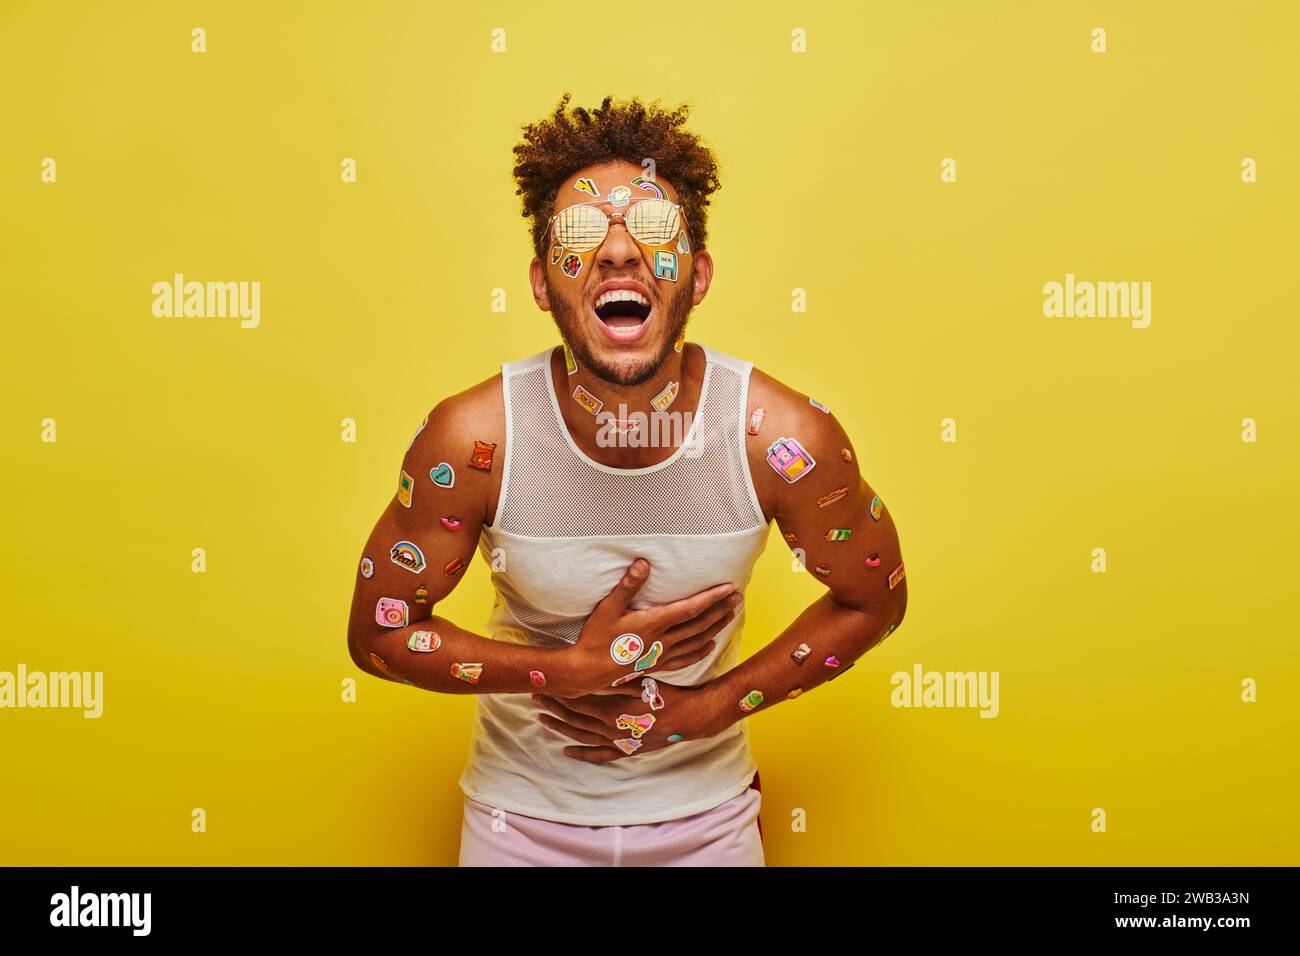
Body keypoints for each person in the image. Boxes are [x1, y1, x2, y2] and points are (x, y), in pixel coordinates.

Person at [346, 93, 907, 866]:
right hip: (518, 827)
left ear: (698, 275)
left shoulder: (782, 440)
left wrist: (706, 709)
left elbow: (874, 599)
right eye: (580, 235)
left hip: (707, 824)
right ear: (544, 282)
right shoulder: (475, 438)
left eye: (653, 231)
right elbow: (378, 633)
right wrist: (566, 669)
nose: (617, 253)